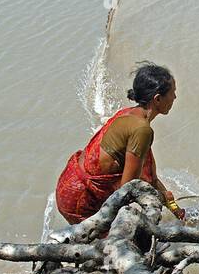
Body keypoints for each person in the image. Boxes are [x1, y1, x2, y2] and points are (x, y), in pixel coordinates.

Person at [54, 62, 185, 224]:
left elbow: (148, 175)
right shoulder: (141, 131)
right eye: (173, 93)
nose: (175, 97)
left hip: (68, 184)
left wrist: (173, 206)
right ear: (157, 99)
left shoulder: (127, 115)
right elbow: (127, 190)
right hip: (81, 202)